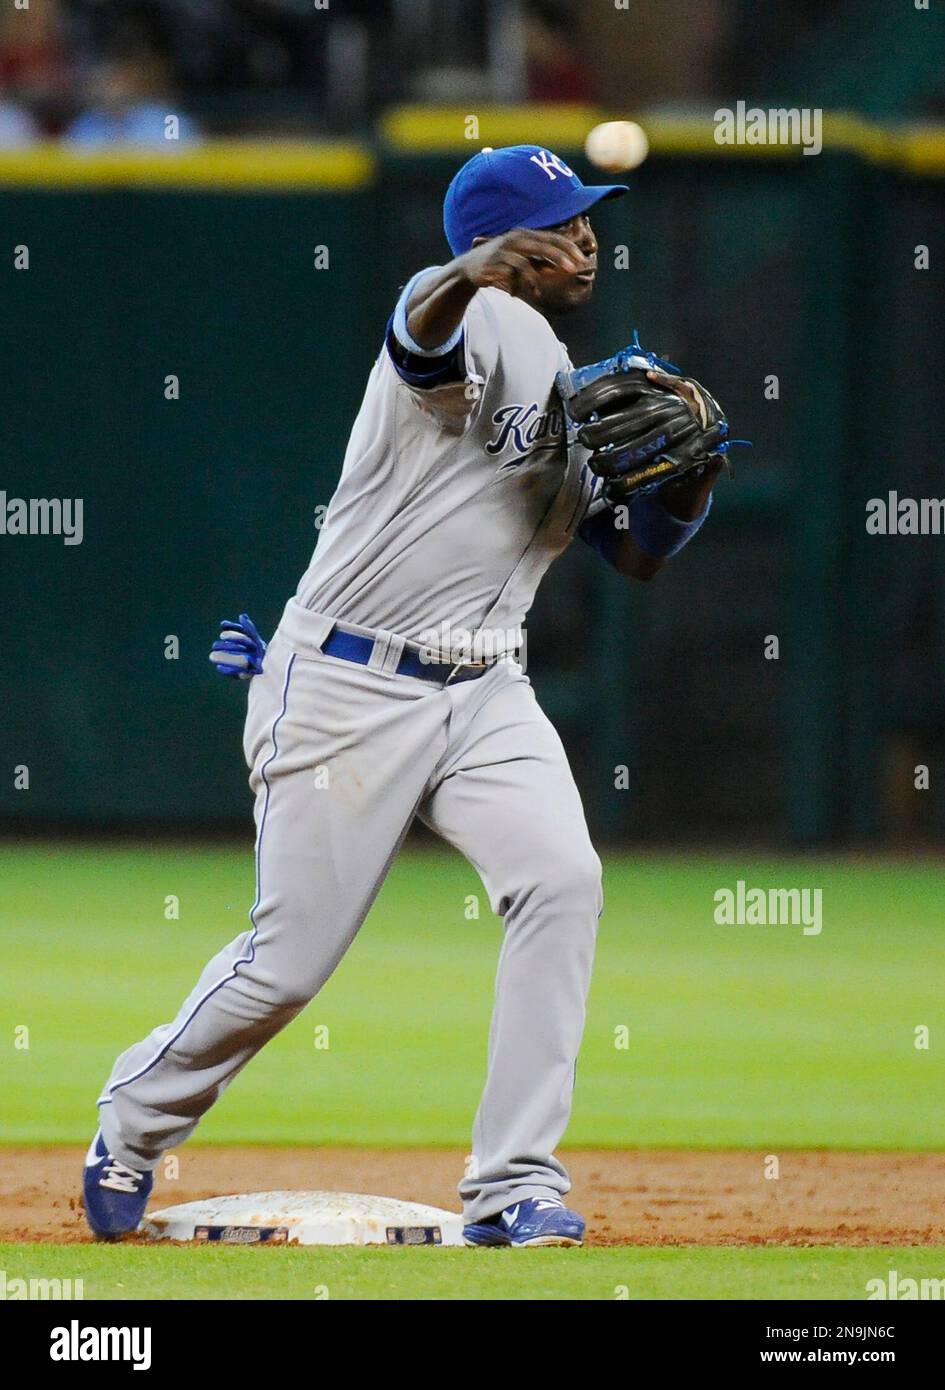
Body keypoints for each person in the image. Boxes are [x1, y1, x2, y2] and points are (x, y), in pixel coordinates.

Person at [84, 145, 721, 1248]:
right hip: (343, 685)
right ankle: (134, 1123)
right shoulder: (462, 325)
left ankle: (515, 1180)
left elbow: (636, 554)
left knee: (562, 880)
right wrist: (467, 270)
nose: (587, 236)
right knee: (287, 963)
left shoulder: (566, 376)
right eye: (563, 220)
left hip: (486, 687)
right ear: (501, 242)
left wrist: (694, 482)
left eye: (589, 217)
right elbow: (417, 334)